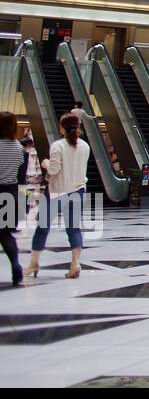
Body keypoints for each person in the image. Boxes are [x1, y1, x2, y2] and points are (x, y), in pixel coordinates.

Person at [27, 113, 89, 279]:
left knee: (43, 227)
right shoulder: (85, 146)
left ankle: (34, 263)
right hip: (78, 191)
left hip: (57, 192)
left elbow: (54, 170)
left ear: (62, 128)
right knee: (74, 228)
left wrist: (46, 163)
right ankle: (75, 263)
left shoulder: (57, 146)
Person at [0, 112, 24, 285]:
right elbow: (20, 176)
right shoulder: (19, 147)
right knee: (6, 234)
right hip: (11, 194)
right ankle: (15, 264)